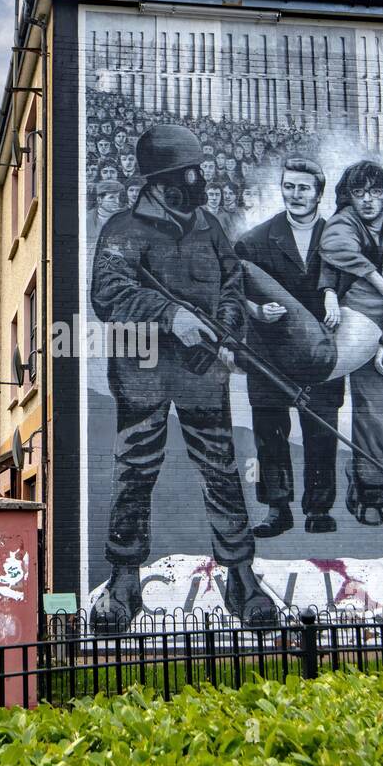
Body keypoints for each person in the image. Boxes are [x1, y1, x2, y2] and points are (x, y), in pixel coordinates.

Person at [90, 123, 273, 631]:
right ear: (163, 179)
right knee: (134, 474)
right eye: (191, 172)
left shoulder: (207, 226)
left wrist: (229, 331)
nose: (200, 180)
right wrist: (172, 315)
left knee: (221, 472)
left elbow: (233, 281)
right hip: (143, 376)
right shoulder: (122, 231)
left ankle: (242, 577)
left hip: (202, 375)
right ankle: (124, 578)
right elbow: (108, 293)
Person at [234, 158, 344, 537]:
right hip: (268, 352)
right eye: (289, 186)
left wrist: (334, 298)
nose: (295, 195)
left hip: (321, 354)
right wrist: (256, 311)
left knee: (321, 429)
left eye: (303, 188)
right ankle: (277, 509)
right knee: (270, 431)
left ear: (319, 193)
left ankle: (318, 509)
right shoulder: (254, 241)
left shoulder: (339, 241)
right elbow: (232, 292)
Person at [319, 161, 383, 523]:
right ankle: (372, 492)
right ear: (348, 197)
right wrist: (334, 291)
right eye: (359, 193)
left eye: (375, 192)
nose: (368, 200)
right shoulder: (344, 222)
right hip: (361, 321)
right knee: (373, 407)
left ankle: (364, 464)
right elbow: (333, 251)